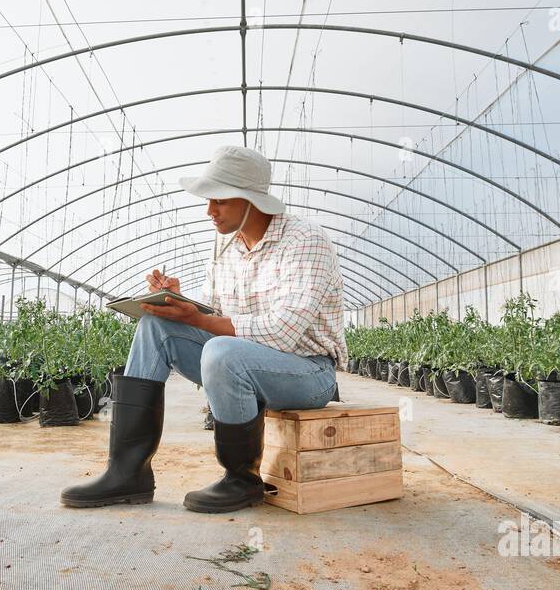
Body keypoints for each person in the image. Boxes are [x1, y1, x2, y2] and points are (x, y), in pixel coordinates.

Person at [60, 145, 348, 513]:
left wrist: (198, 319)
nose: (209, 211)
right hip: (242, 363)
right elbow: (217, 313)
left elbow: (283, 333)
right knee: (155, 325)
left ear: (250, 200)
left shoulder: (305, 241)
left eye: (220, 201)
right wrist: (183, 303)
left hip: (307, 372)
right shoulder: (225, 246)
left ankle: (242, 479)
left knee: (221, 350)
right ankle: (128, 472)